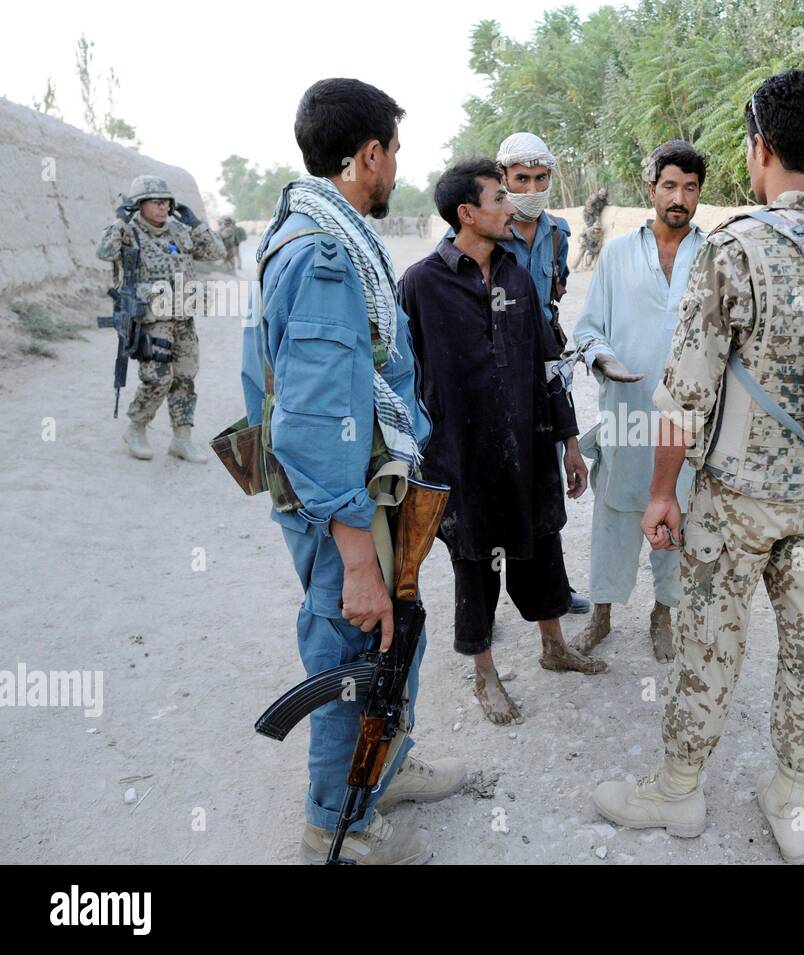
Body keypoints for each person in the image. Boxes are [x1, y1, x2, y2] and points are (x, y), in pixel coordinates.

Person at [592, 70, 804, 863]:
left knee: (708, 647)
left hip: (736, 503)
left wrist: (663, 493)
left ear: (759, 147)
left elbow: (686, 395)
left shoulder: (737, 248)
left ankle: (677, 791)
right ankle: (791, 799)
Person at [239, 78, 465, 864]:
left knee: (393, 644)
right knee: (349, 656)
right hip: (343, 501)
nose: (397, 167)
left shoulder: (316, 234)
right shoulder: (326, 255)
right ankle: (336, 820)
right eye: (393, 152)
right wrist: (358, 554)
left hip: (362, 490)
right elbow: (312, 421)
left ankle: (383, 774)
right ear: (367, 155)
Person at [400, 158, 607, 728]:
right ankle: (485, 675)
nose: (510, 206)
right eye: (498, 198)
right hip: (461, 459)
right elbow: (398, 374)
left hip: (530, 446)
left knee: (543, 546)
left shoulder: (518, 275)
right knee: (475, 564)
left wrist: (568, 441)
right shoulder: (421, 284)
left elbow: (548, 364)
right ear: (467, 213)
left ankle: (553, 646)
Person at [571, 140, 708, 662]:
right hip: (625, 413)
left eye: (690, 188)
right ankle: (602, 614)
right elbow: (588, 330)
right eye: (670, 186)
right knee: (614, 515)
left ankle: (664, 614)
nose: (679, 197)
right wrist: (606, 361)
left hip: (686, 422)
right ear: (650, 189)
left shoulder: (712, 255)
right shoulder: (618, 254)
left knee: (678, 511)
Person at [96, 175, 226, 462]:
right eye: (155, 202)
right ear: (139, 205)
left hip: (183, 318)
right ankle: (136, 429)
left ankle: (181, 439)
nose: (163, 207)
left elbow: (217, 252)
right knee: (158, 378)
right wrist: (120, 222)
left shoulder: (179, 231)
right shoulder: (130, 233)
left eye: (166, 202)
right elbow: (104, 252)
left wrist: (196, 224)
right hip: (153, 320)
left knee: (185, 377)